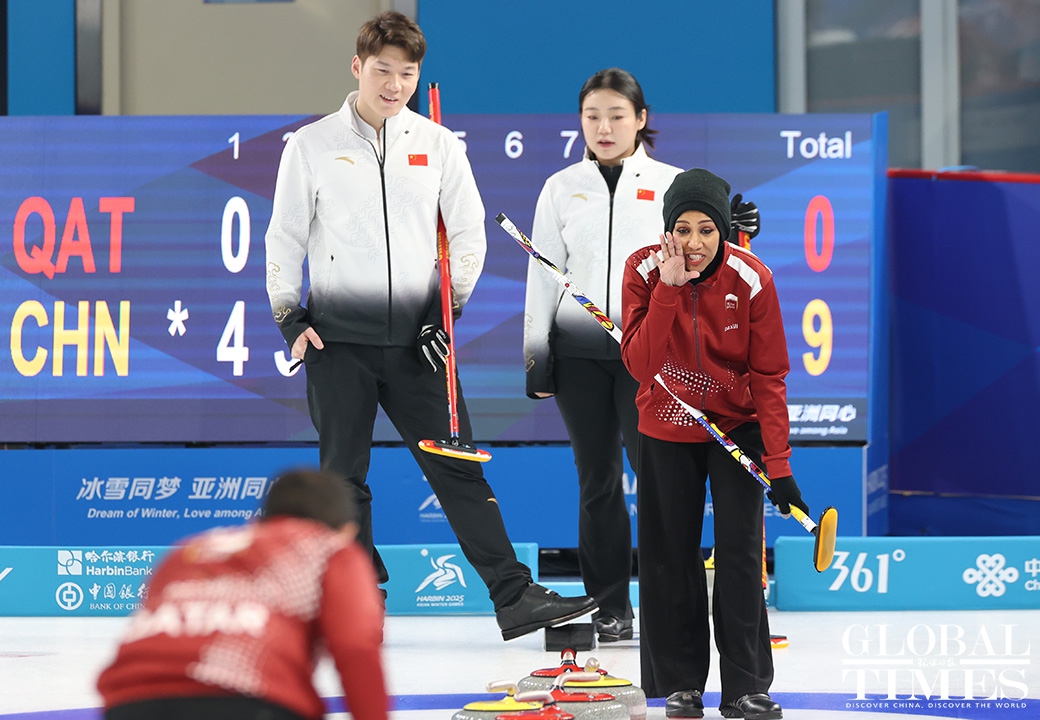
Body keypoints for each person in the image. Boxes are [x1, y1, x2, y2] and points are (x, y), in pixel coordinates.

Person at [263, 10, 596, 641]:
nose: (394, 85)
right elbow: (284, 238)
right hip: (338, 344)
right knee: (342, 480)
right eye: (382, 70)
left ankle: (514, 596)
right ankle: (359, 598)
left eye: (407, 73)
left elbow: (469, 236)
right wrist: (289, 316)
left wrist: (449, 308)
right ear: (357, 67)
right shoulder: (310, 146)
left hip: (421, 345)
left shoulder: (439, 145)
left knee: (458, 469)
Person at [620, 168, 804, 720]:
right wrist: (669, 290)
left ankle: (746, 686)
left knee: (740, 554)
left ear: (723, 231)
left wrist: (779, 465)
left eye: (706, 229)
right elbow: (640, 365)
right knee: (669, 555)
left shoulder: (752, 278)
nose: (694, 243)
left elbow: (770, 375)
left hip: (735, 428)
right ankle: (680, 684)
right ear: (667, 231)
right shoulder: (643, 270)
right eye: (683, 229)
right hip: (665, 423)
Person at [523, 67, 681, 645]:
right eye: (593, 116)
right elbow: (543, 274)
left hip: (648, 356)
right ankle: (611, 608)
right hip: (579, 357)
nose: (605, 127)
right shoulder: (560, 187)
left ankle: (669, 600)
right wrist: (537, 355)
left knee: (658, 479)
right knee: (597, 482)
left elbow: (698, 266)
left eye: (617, 115)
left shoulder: (672, 183)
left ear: (641, 119)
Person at [97, 468, 387, 720]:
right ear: (346, 530)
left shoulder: (188, 551)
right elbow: (356, 648)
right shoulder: (328, 548)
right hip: (247, 697)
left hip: (130, 701)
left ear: (259, 520)